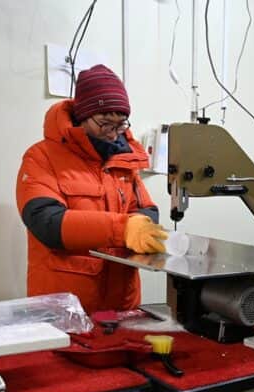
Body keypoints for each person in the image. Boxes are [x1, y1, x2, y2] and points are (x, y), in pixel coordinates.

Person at [16, 64, 166, 312]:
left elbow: (146, 208)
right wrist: (123, 229)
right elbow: (47, 222)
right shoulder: (41, 157)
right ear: (81, 116)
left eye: (120, 125)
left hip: (122, 306)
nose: (113, 134)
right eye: (105, 123)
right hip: (64, 308)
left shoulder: (124, 159)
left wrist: (143, 226)